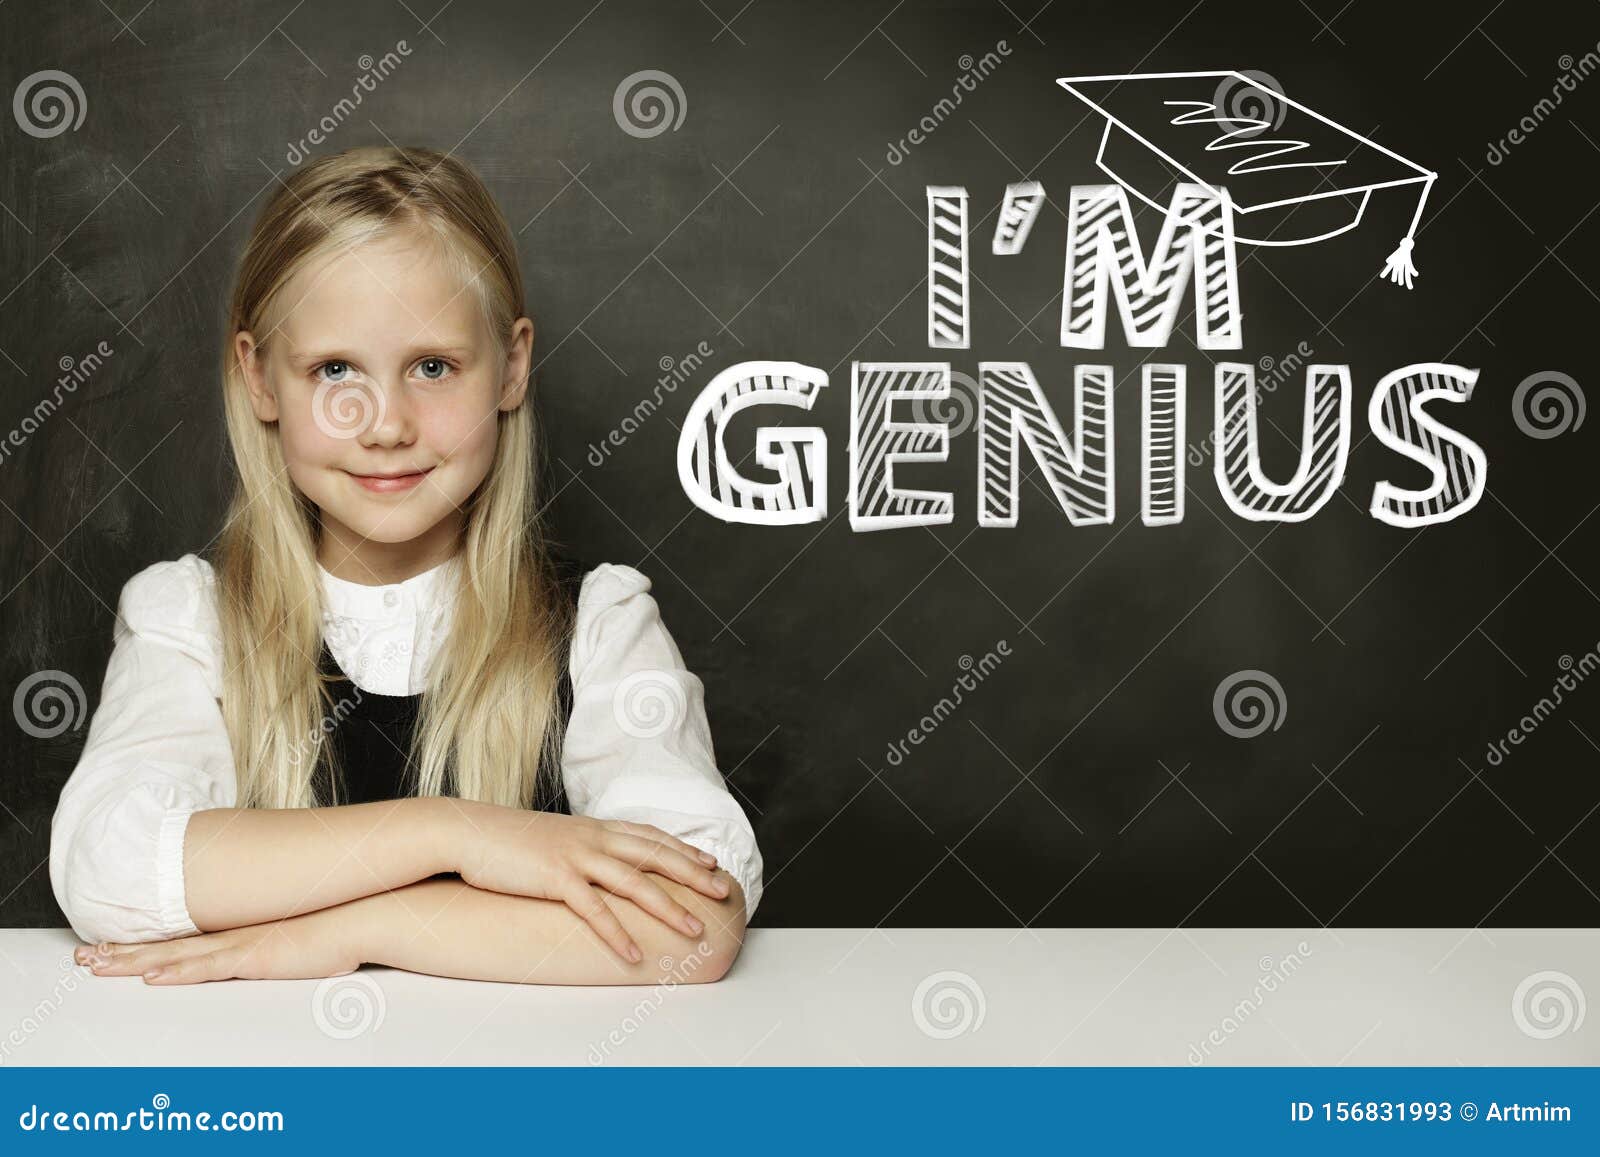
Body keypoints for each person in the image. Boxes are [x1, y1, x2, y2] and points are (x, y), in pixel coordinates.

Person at [48, 145, 761, 986]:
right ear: (259, 378)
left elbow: (692, 929)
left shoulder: (597, 624)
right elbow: (110, 869)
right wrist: (457, 834)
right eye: (334, 369)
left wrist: (353, 930)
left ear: (513, 365)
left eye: (432, 367)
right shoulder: (189, 618)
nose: (385, 424)